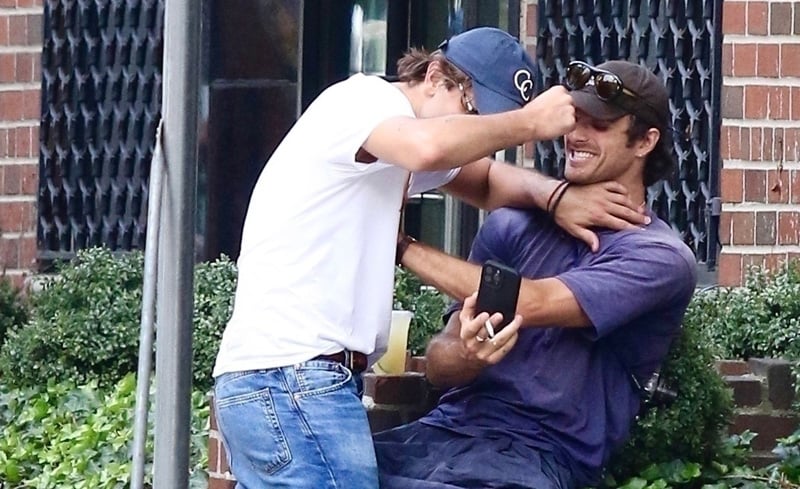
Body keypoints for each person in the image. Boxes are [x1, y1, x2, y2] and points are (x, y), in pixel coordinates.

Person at [211, 25, 648, 489]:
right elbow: (429, 149)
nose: (477, 130)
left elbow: (485, 181)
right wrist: (530, 123)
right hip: (293, 379)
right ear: (436, 75)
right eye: (472, 112)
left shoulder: (387, 142)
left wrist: (556, 197)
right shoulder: (362, 102)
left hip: (290, 381)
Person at [374, 60, 698, 489]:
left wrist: (400, 247)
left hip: (538, 457)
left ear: (645, 141)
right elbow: (438, 365)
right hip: (441, 434)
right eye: (574, 120)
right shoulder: (513, 226)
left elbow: (532, 302)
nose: (577, 136)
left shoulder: (659, 258)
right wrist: (467, 356)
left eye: (599, 126)